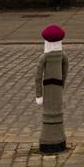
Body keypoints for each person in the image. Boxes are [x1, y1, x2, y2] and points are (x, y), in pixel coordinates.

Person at [35, 24, 68, 153]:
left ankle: (51, 138)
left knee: (51, 115)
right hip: (56, 88)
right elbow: (65, 72)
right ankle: (55, 136)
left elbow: (37, 77)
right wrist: (61, 86)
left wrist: (39, 95)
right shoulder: (62, 56)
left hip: (49, 89)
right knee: (54, 114)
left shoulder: (44, 57)